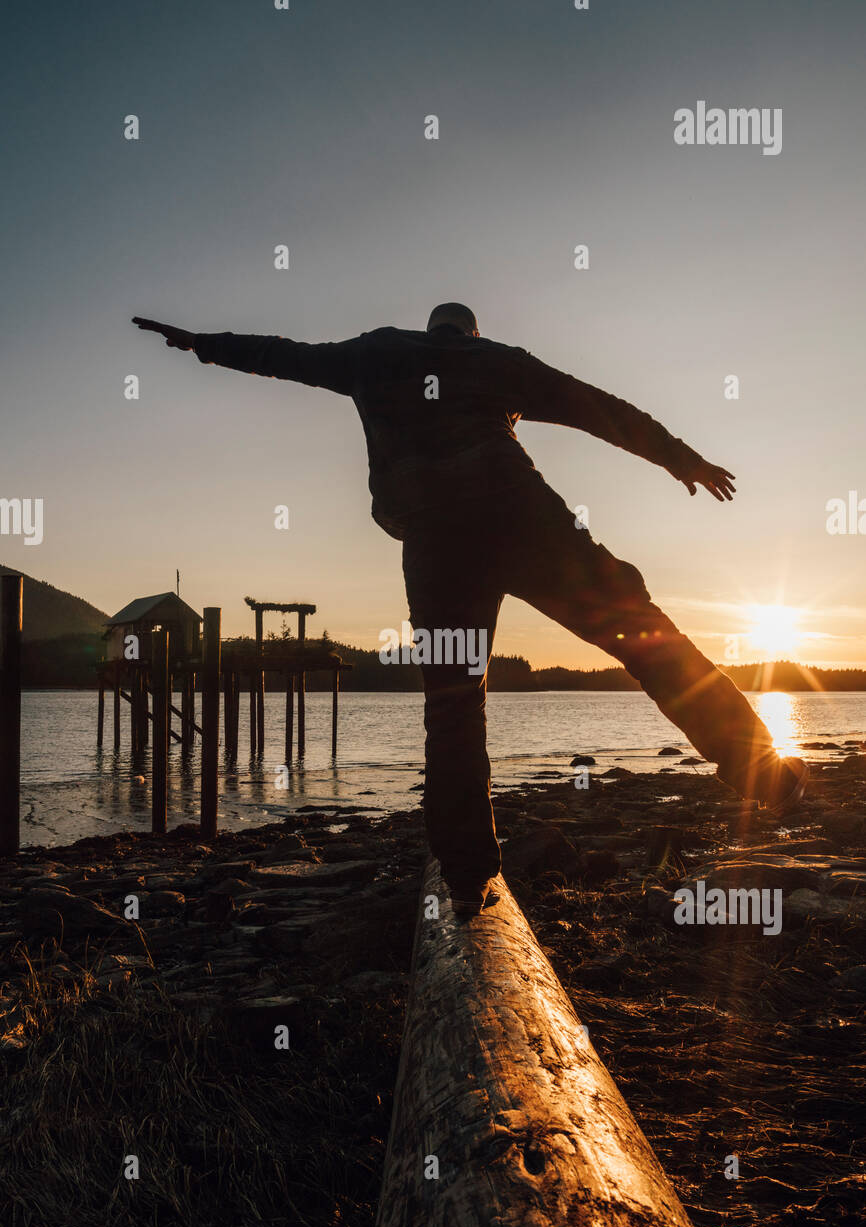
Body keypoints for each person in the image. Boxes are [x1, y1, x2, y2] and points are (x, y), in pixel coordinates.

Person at [133, 305, 808, 916]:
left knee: (453, 704)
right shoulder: (495, 362)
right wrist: (678, 458)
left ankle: (465, 876)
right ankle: (766, 775)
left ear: (431, 330)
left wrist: (202, 344)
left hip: (437, 542)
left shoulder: (371, 354)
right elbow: (597, 407)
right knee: (647, 638)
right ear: (470, 332)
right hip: (525, 520)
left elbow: (280, 354)